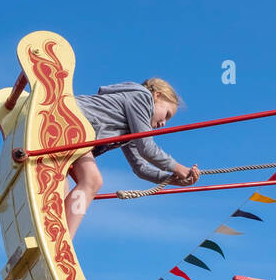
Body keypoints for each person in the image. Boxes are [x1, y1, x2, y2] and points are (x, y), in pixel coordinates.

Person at [67, 79, 200, 237]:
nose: (164, 123)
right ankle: (64, 240)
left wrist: (172, 180)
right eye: (167, 115)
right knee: (92, 181)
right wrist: (178, 168)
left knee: (60, 193)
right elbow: (147, 148)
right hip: (72, 121)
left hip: (75, 136)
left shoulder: (131, 131)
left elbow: (140, 167)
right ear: (157, 96)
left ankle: (56, 233)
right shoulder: (141, 97)